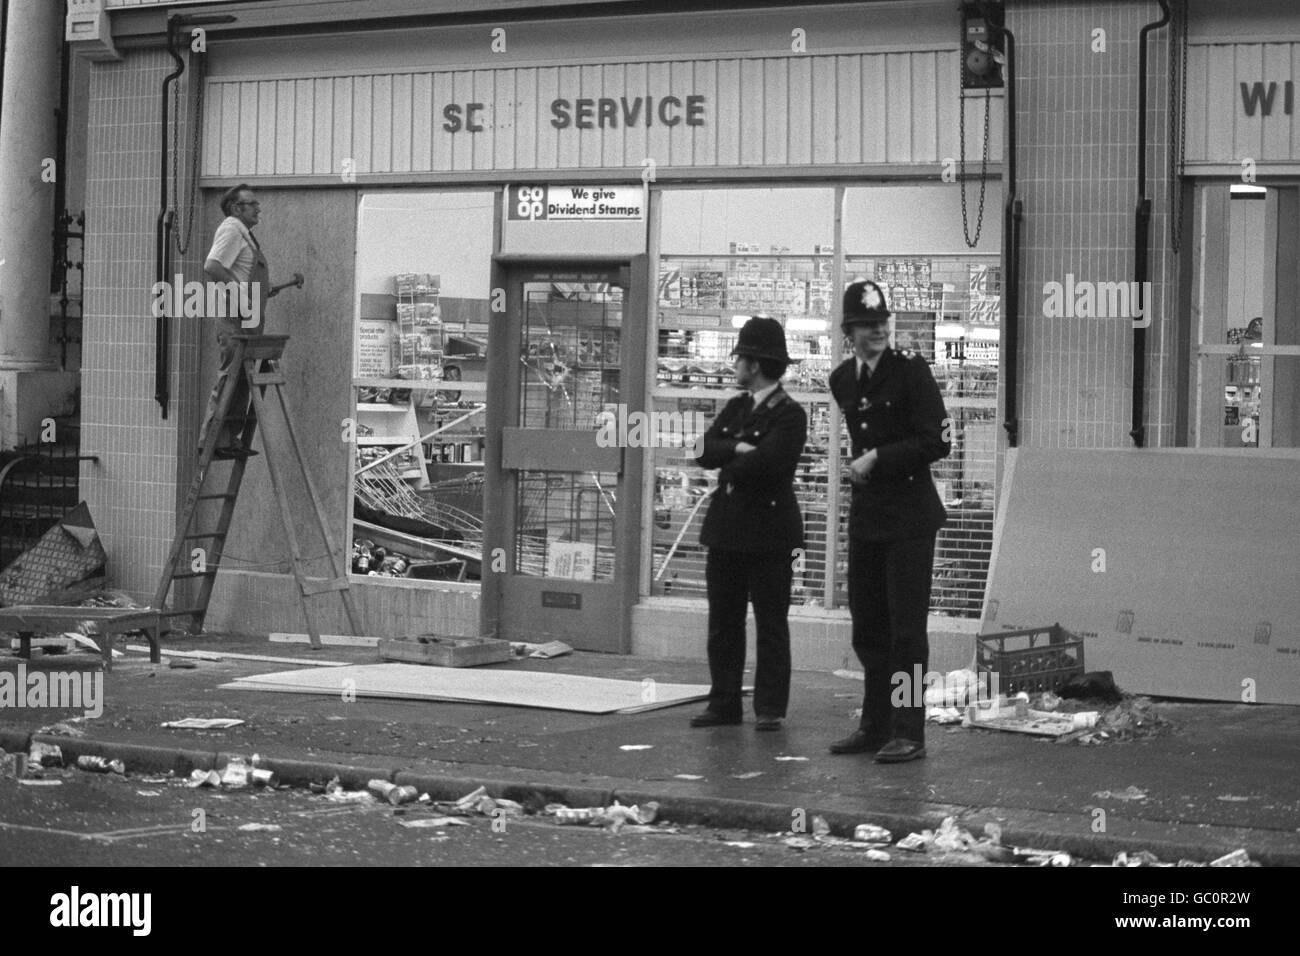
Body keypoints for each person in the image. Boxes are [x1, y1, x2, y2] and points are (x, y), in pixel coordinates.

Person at [827, 280, 951, 762]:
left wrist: (878, 456)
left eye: (882, 322)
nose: (877, 330)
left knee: (906, 633)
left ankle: (908, 731)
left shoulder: (911, 372)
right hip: (869, 518)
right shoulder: (841, 380)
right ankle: (874, 725)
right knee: (868, 629)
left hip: (910, 517)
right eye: (866, 324)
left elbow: (938, 441)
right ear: (848, 331)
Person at [689, 316, 807, 731]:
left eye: (739, 358)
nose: (734, 366)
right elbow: (703, 450)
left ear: (754, 364)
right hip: (726, 531)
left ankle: (770, 707)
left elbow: (770, 463)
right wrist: (738, 446)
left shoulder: (790, 414)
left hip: (770, 534)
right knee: (724, 621)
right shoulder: (738, 406)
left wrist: (733, 456)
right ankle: (723, 701)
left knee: (771, 622)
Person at [197, 183, 278, 460]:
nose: (259, 208)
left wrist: (262, 289)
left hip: (247, 317)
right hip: (235, 317)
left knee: (241, 379)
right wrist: (242, 291)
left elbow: (240, 273)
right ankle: (212, 440)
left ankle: (229, 439)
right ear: (235, 208)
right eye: (252, 204)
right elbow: (212, 266)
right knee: (230, 377)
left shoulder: (245, 235)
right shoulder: (232, 228)